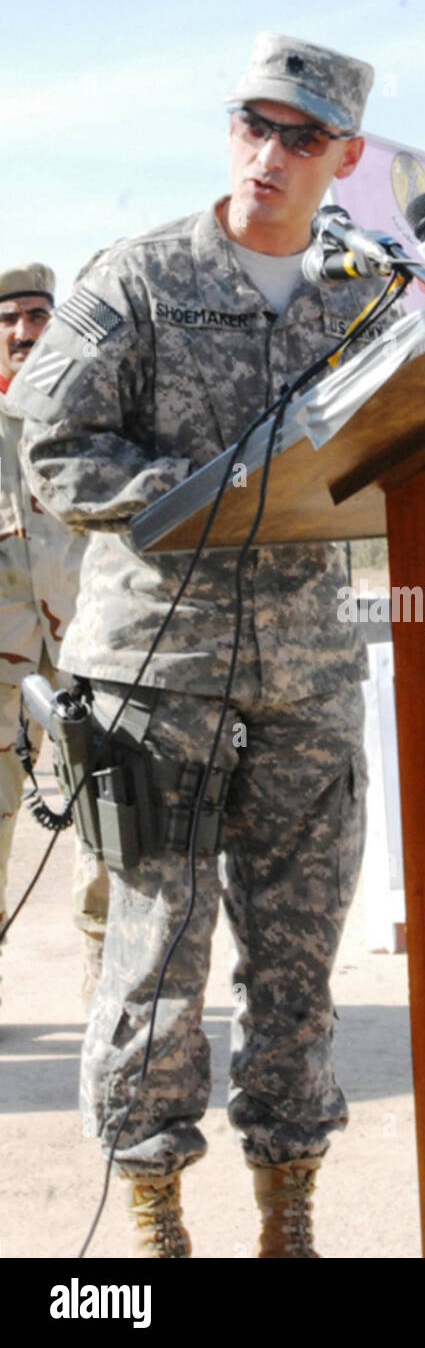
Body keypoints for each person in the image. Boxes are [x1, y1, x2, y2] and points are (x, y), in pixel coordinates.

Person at [13, 32, 393, 1259]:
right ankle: (155, 1229)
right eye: (251, 122)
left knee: (298, 964)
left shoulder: (367, 297)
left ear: (345, 154)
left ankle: (289, 1221)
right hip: (155, 683)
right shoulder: (137, 278)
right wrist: (207, 489)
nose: (266, 154)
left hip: (310, 682)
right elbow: (55, 450)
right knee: (153, 957)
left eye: (298, 136)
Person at [0, 265, 109, 1007]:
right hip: (4, 656)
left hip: (89, 649)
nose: (24, 332)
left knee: (112, 815)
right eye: (8, 319)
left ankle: (111, 980)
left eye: (39, 315)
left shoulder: (92, 415)